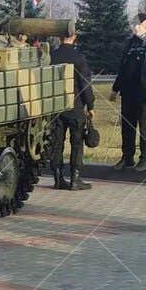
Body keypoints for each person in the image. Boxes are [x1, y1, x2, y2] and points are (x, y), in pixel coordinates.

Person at [110, 13, 146, 168]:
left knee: (145, 125)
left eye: (137, 25)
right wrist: (115, 89)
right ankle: (127, 157)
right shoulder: (130, 44)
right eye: (132, 25)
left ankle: (145, 158)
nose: (134, 28)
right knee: (127, 125)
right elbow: (123, 68)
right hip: (128, 92)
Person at [49, 31, 95, 190]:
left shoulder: (51, 56)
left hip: (55, 107)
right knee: (77, 143)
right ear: (74, 37)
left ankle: (57, 178)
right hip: (75, 107)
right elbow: (85, 85)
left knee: (56, 143)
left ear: (60, 37)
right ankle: (75, 179)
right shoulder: (79, 58)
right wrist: (90, 106)